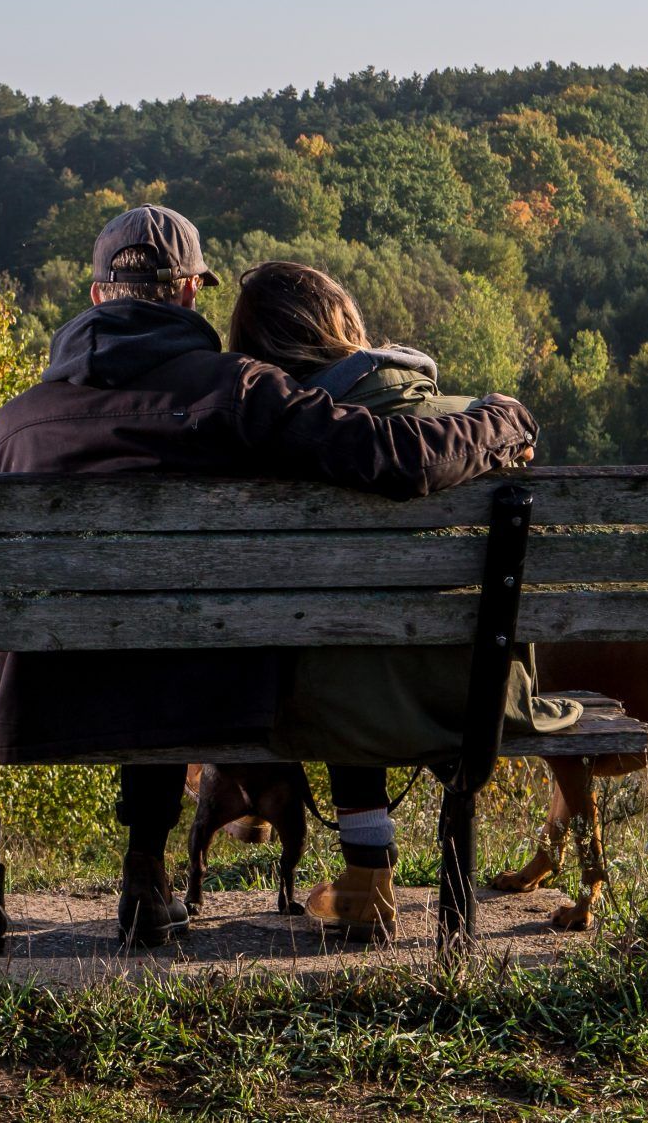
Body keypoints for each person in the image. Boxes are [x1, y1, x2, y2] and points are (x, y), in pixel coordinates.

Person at [0, 206, 539, 955]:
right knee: (153, 639)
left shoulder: (19, 421)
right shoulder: (242, 389)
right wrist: (499, 423)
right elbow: (400, 456)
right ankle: (145, 871)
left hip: (43, 689)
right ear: (188, 293)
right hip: (206, 685)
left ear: (94, 298)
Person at [225, 259, 580, 939]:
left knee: (347, 652)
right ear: (349, 329)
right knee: (365, 650)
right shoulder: (476, 423)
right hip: (477, 694)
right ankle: (373, 881)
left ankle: (367, 876)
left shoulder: (283, 439)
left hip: (325, 702)